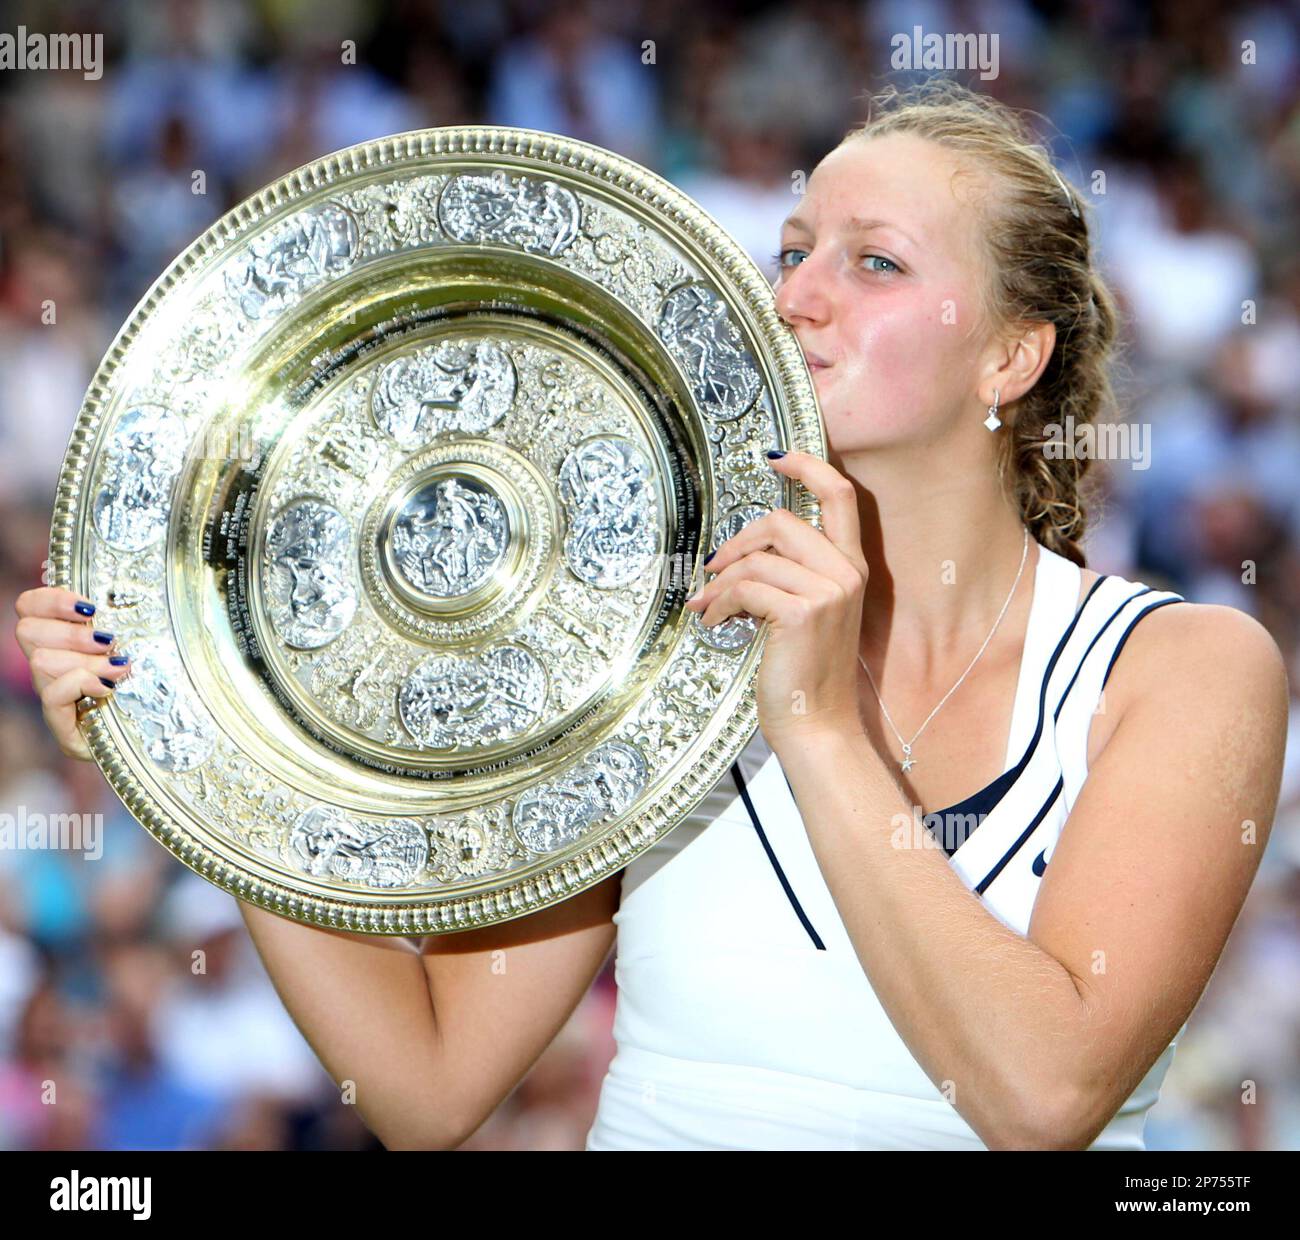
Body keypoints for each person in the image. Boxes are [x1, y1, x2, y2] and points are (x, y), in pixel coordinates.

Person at [15, 79, 1288, 1150]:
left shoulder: (1180, 666)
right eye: (791, 252)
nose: (794, 296)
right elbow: (426, 1084)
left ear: (1012, 355)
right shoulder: (644, 632)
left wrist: (817, 727)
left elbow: (1042, 1093)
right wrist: (210, 751)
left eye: (874, 263)